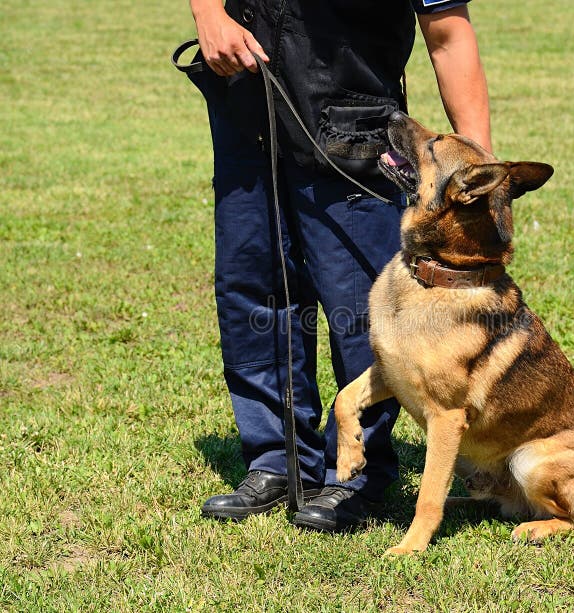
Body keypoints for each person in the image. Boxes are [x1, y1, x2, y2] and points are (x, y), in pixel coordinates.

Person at [187, 0, 491, 532]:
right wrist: (208, 13)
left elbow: (448, 37)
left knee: (360, 312)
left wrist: (481, 167)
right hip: (247, 111)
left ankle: (359, 476)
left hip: (351, 130)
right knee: (252, 292)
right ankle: (276, 461)